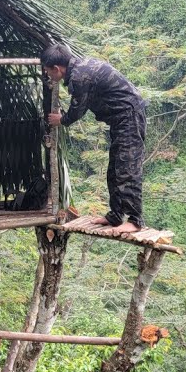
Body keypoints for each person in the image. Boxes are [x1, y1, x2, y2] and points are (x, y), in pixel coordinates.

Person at [41, 43, 147, 236]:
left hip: (129, 117)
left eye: (48, 71)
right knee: (114, 169)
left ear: (57, 68)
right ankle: (116, 215)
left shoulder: (80, 76)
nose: (48, 75)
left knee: (127, 168)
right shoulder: (79, 67)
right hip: (120, 120)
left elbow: (77, 109)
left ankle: (135, 220)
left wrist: (61, 119)